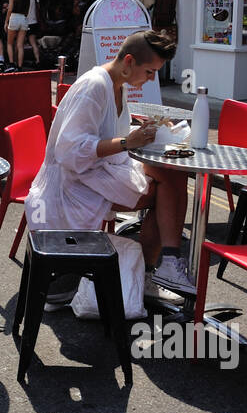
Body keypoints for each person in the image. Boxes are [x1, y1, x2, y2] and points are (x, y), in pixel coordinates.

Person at [25, 29, 192, 319]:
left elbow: (109, 135)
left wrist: (141, 134)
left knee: (170, 175)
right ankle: (162, 268)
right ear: (129, 61)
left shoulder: (118, 84)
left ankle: (163, 267)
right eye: (150, 71)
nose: (152, 79)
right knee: (167, 184)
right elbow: (68, 150)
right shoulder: (94, 86)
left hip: (97, 172)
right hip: (72, 183)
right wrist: (129, 142)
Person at [5, 0, 33, 69]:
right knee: (20, 45)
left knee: (9, 43)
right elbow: (28, 10)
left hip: (14, 18)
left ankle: (12, 64)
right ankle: (20, 66)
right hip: (23, 18)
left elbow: (10, 8)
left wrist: (6, 21)